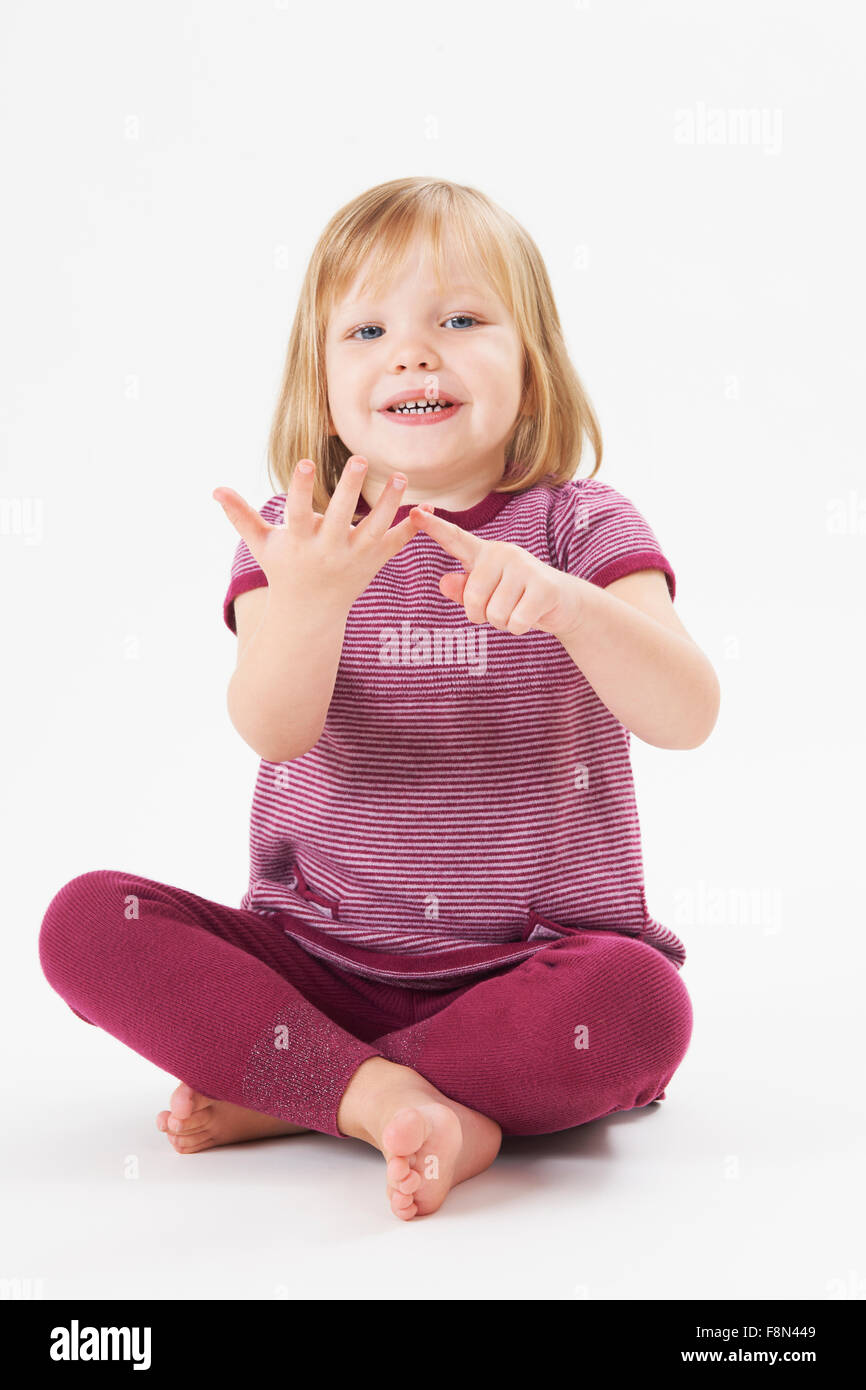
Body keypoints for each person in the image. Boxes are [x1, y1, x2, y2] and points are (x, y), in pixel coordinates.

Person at [38, 177, 719, 1221]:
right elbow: (272, 725)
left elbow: (686, 714)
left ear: (531, 374)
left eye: (458, 318)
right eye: (367, 329)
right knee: (88, 921)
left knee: (639, 1009)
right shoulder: (291, 537)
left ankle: (309, 1087)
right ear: (322, 390)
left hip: (530, 971)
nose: (412, 352)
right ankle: (391, 1096)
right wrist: (309, 600)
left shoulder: (581, 526)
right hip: (312, 963)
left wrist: (572, 610)